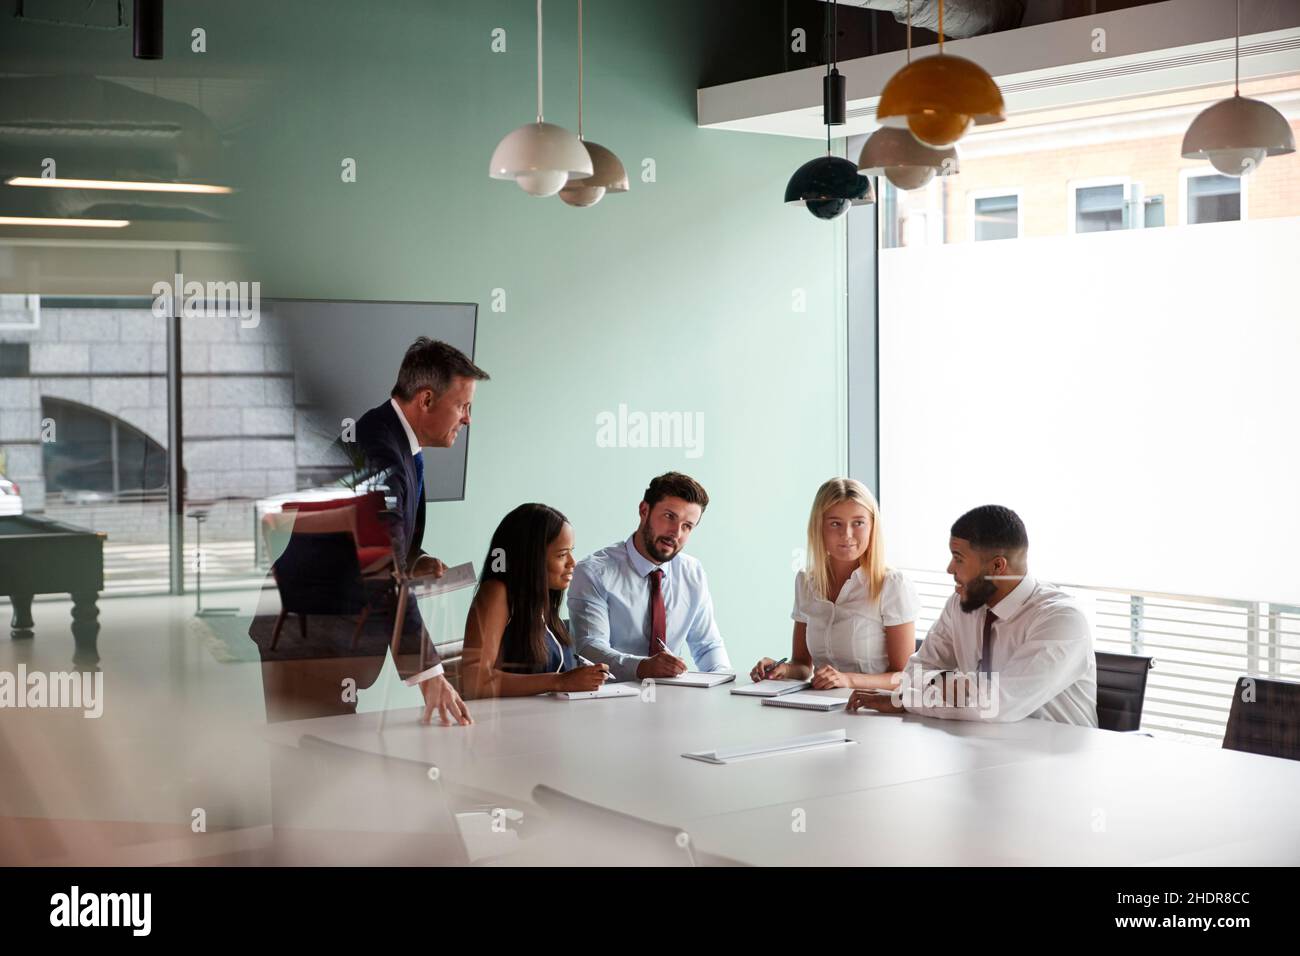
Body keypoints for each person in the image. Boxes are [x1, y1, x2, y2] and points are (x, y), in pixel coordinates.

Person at [847, 505, 1098, 726]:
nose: (949, 569)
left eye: (958, 558)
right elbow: (916, 672)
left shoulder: (1061, 620)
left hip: (1060, 765)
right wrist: (951, 683)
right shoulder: (961, 605)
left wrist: (908, 699)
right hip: (984, 749)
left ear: (997, 566)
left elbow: (995, 704)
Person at [352, 337, 489, 725]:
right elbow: (381, 565)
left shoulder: (396, 440)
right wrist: (430, 674)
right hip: (312, 635)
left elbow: (382, 540)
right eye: (463, 406)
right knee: (311, 763)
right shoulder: (381, 452)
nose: (467, 419)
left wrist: (415, 559)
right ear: (426, 400)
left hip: (337, 635)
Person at [750, 478, 916, 690]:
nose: (847, 535)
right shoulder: (806, 581)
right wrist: (783, 670)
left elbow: (904, 677)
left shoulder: (892, 585)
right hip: (820, 708)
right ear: (819, 527)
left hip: (872, 713)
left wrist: (848, 680)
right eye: (835, 523)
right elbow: (803, 666)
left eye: (858, 523)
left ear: (872, 526)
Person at [567, 472, 731, 681]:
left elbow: (708, 646)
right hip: (610, 699)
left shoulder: (693, 572)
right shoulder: (593, 572)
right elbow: (589, 648)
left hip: (673, 700)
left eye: (687, 526)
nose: (676, 533)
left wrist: (725, 681)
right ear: (644, 510)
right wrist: (643, 667)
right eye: (670, 516)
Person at [460, 504, 612, 698]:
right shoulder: (497, 592)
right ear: (531, 557)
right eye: (562, 554)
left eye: (571, 552)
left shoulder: (540, 602)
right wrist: (559, 681)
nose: (572, 562)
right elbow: (476, 681)